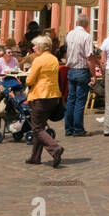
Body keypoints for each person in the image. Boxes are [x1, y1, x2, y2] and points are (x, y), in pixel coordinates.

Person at [24, 34, 64, 167]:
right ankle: (35, 157)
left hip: (40, 96)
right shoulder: (54, 59)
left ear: (41, 47)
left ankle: (54, 148)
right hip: (53, 96)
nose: (33, 48)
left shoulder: (39, 60)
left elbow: (29, 80)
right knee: (40, 126)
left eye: (35, 45)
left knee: (36, 128)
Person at [64, 14, 97, 137]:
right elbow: (89, 57)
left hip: (71, 69)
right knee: (80, 101)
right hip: (82, 70)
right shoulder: (86, 36)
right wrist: (93, 74)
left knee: (70, 99)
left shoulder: (69, 35)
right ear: (87, 24)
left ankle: (68, 128)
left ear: (77, 22)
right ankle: (78, 129)